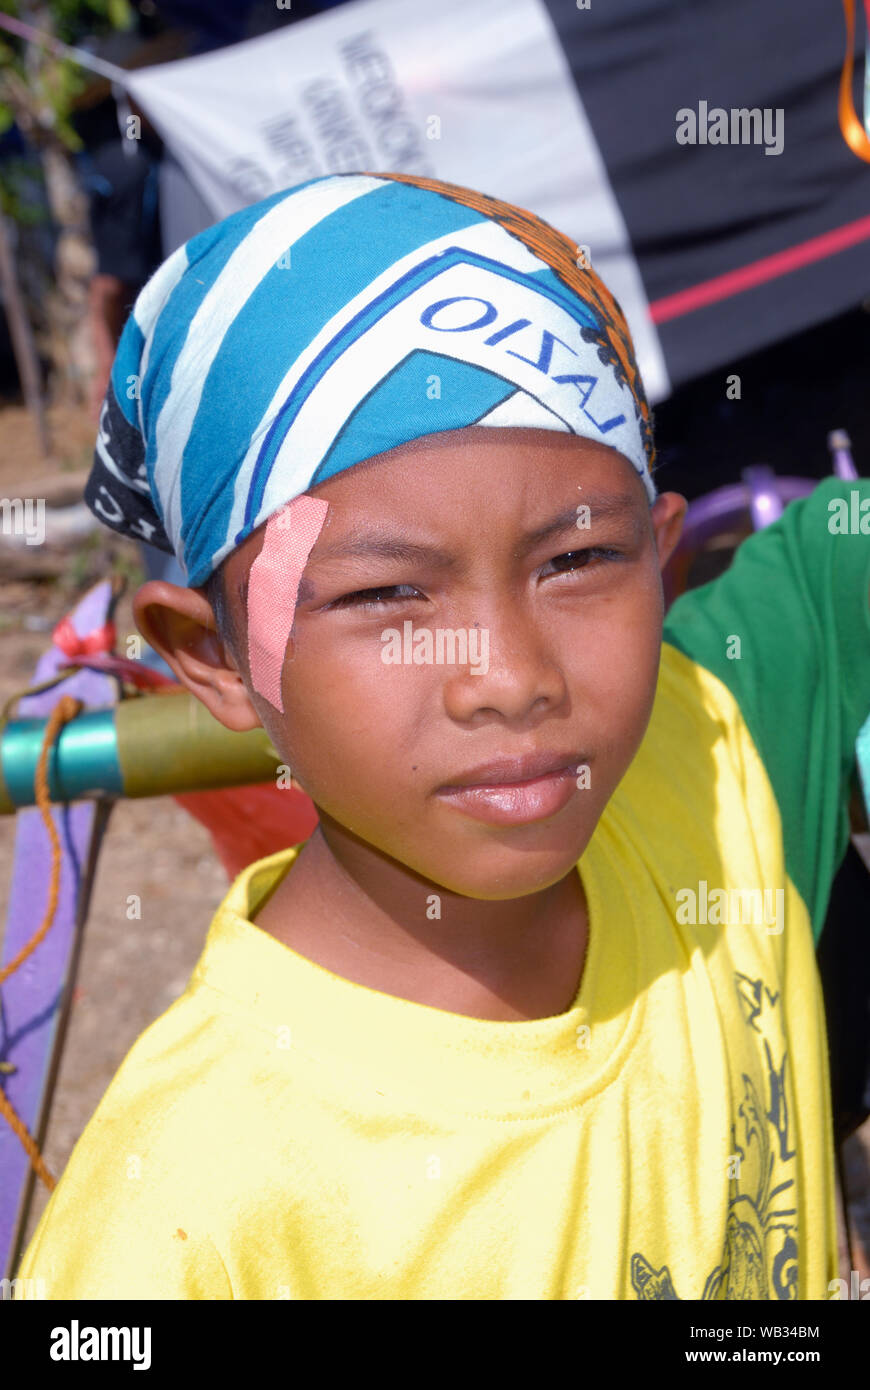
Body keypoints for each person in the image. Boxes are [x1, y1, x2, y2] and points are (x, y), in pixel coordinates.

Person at [16, 172, 870, 1300]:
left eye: (576, 562)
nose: (511, 679)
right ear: (216, 657)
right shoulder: (187, 1224)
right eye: (385, 598)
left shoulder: (706, 747)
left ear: (663, 564)